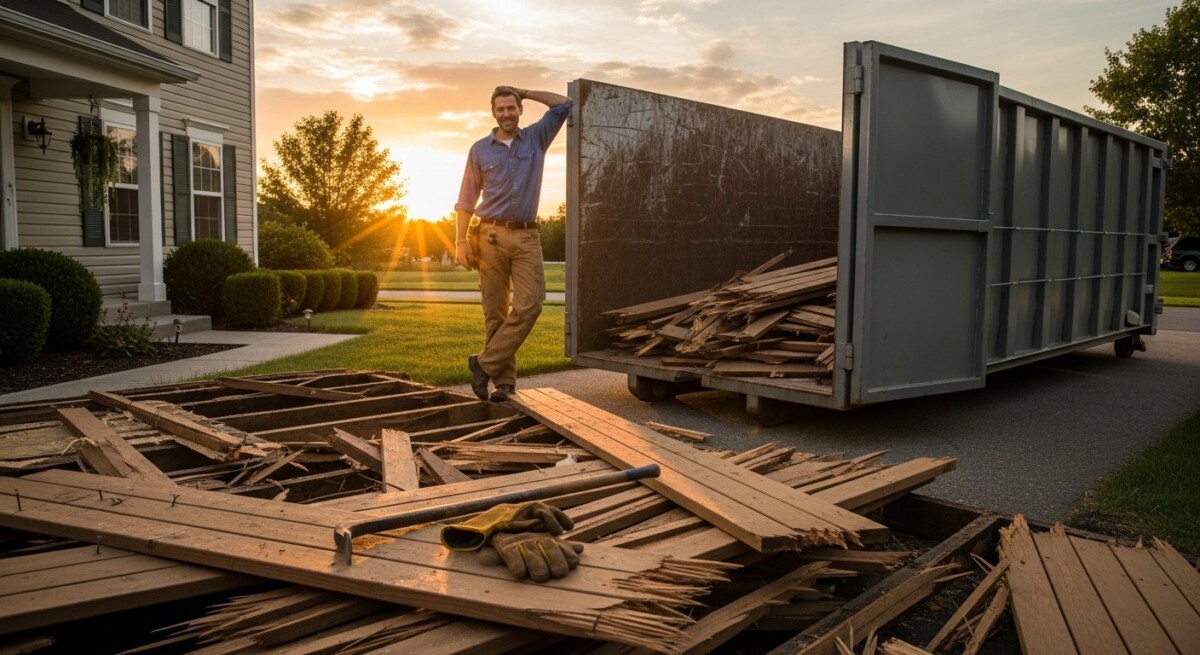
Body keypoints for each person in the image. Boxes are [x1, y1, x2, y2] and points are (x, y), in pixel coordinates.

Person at [455, 85, 572, 402]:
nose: (506, 113)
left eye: (512, 107)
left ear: (520, 110)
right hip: (488, 235)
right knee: (495, 312)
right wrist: (460, 241)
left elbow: (564, 105)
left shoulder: (536, 137)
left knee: (531, 303)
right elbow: (466, 200)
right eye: (501, 108)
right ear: (493, 112)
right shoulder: (480, 149)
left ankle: (483, 363)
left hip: (526, 235)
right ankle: (503, 384)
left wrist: (524, 91)